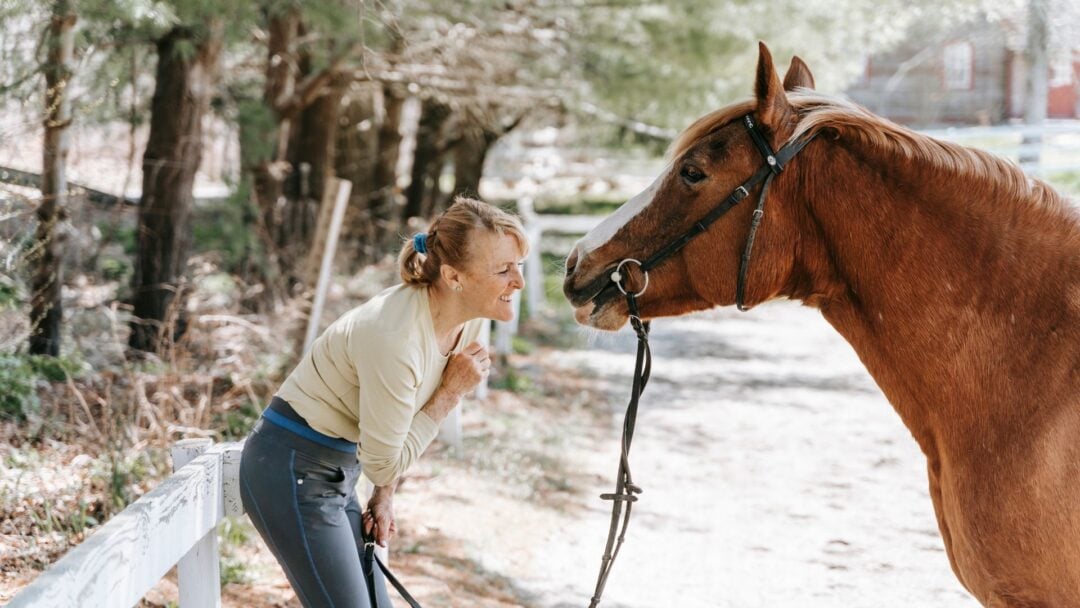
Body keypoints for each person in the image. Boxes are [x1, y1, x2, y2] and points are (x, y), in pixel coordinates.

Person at [239, 197, 528, 607]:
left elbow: (394, 426)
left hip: (340, 470)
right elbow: (385, 459)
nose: (518, 282)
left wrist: (384, 494)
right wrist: (450, 393)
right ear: (454, 276)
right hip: (292, 468)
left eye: (519, 266)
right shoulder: (395, 338)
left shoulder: (466, 317)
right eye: (503, 270)